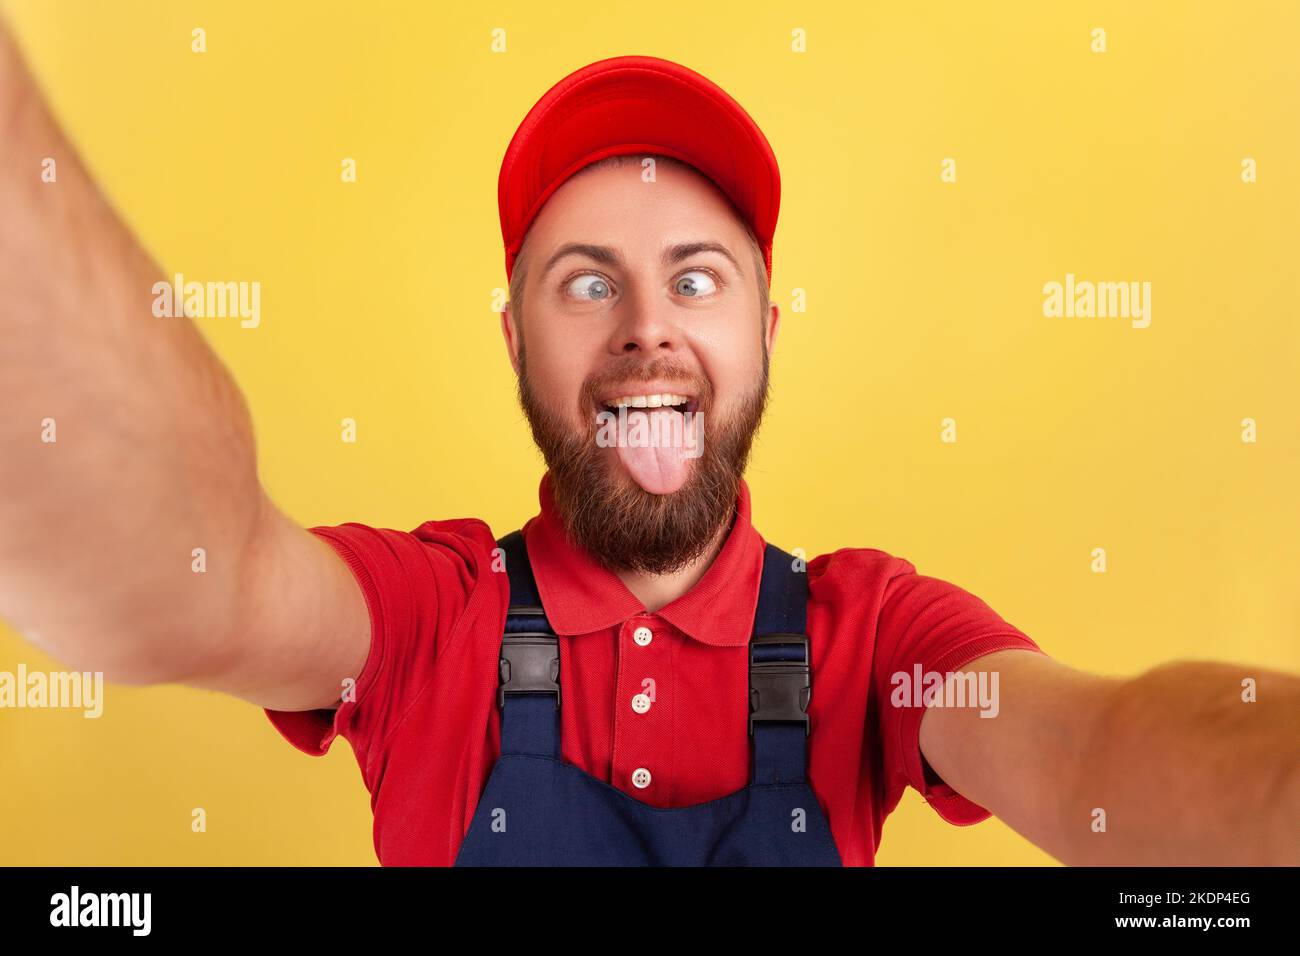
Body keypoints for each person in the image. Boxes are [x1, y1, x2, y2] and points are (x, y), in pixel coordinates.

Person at [1, 29, 1295, 866]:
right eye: (584, 284)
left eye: (696, 279)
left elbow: (1098, 750)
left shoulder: (876, 639)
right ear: (514, 339)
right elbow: (189, 587)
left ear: (768, 330)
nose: (645, 333)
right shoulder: (425, 623)